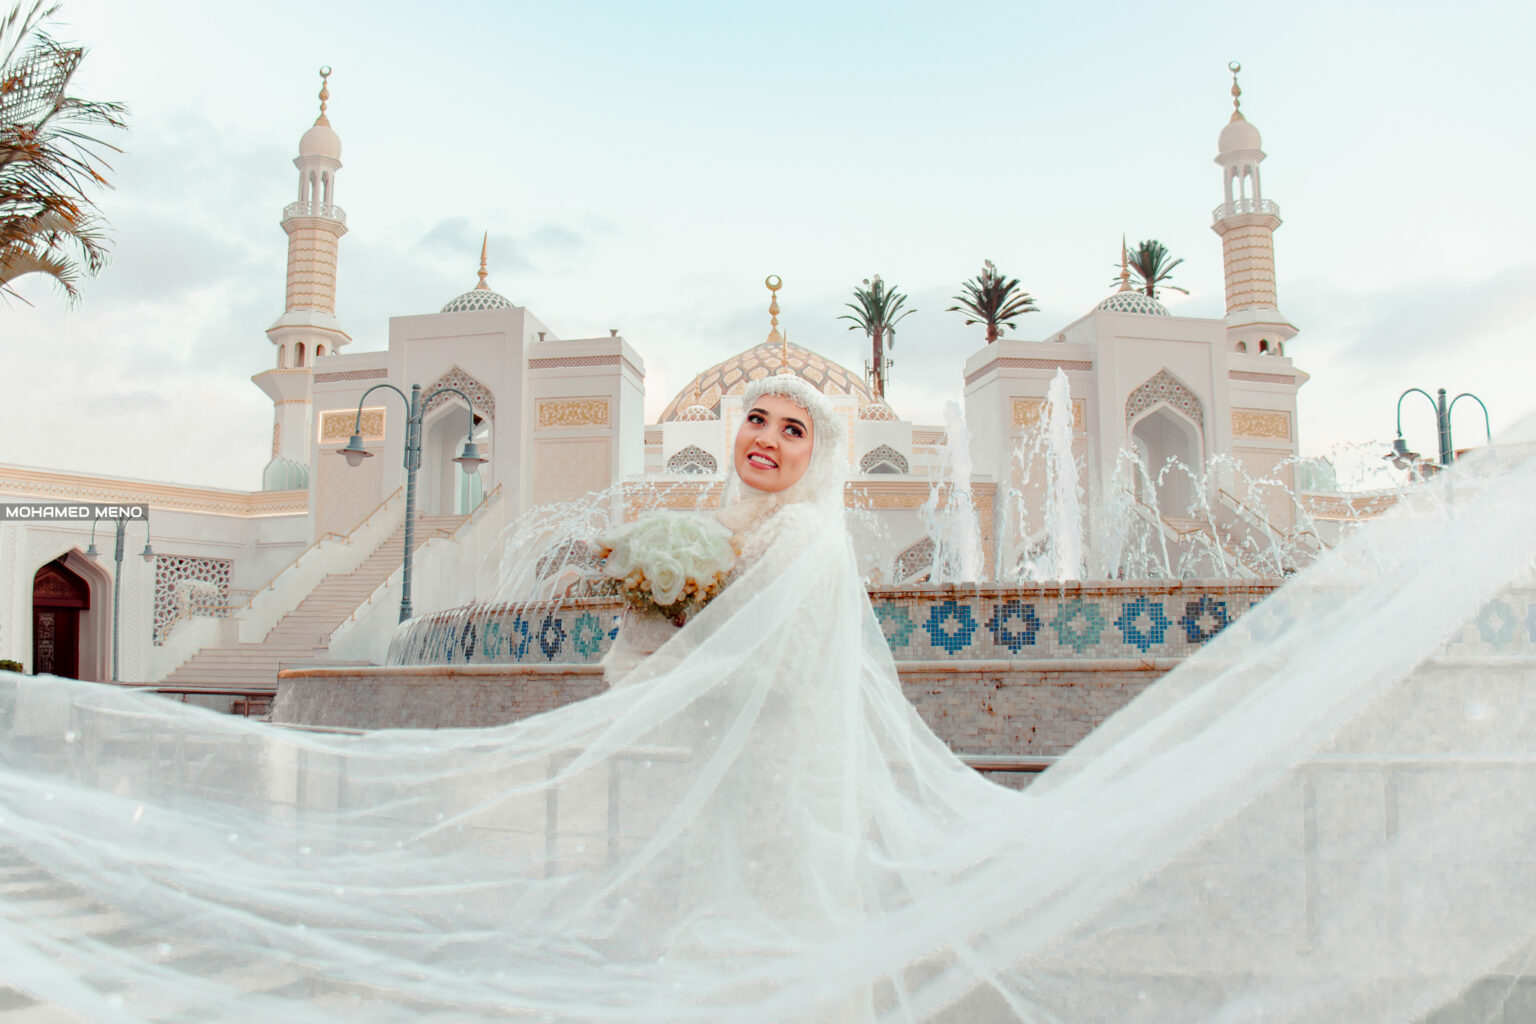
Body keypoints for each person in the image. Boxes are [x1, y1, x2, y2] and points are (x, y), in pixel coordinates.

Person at [5, 377, 1536, 1022]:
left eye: (792, 427)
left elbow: (757, 658)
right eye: (755, 423)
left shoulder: (806, 536)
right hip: (711, 761)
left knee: (780, 924)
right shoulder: (723, 528)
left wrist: (671, 639)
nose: (767, 443)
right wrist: (651, 631)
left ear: (818, 448)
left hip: (782, 766)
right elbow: (685, 647)